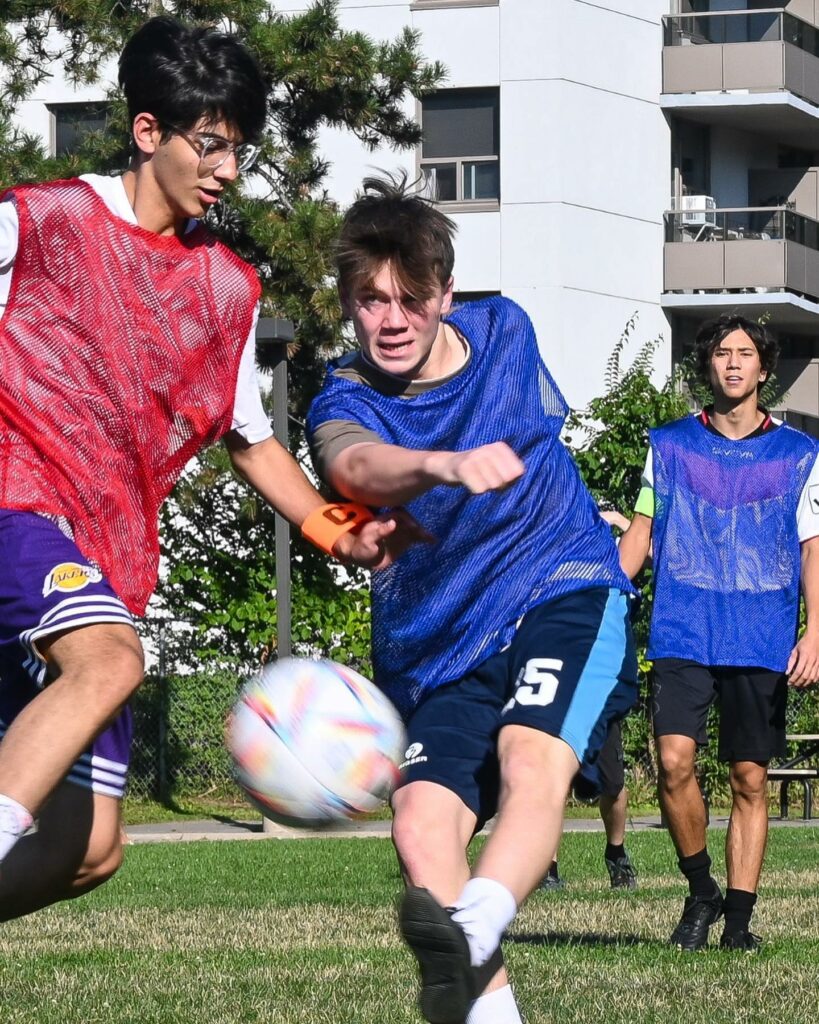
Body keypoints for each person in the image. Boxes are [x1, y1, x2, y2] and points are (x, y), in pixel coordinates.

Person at [0, 17, 419, 921]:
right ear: (148, 132)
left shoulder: (227, 289)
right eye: (211, 144)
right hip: (15, 506)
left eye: (241, 150)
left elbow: (253, 442)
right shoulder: (39, 221)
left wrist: (340, 528)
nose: (228, 169)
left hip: (105, 555)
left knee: (90, 847)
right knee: (110, 661)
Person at [307, 174, 639, 1024]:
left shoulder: (506, 333)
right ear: (348, 301)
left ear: (446, 295)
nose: (389, 319)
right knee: (419, 830)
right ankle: (492, 1006)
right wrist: (441, 465)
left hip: (557, 586)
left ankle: (477, 919)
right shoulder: (340, 402)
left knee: (532, 762)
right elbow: (351, 471)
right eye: (369, 299)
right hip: (436, 645)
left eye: (410, 299)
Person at [616, 313, 819, 952]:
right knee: (674, 764)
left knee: (749, 778)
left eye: (746, 353)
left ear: (765, 368)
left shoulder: (799, 455)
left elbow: (813, 548)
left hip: (762, 632)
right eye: (722, 353)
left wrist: (815, 633)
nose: (733, 363)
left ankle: (736, 922)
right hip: (684, 625)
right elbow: (641, 534)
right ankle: (700, 888)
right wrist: (599, 597)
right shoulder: (669, 445)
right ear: (707, 366)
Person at [540, 720, 638, 891]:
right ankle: (548, 870)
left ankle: (617, 856)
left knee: (613, 785)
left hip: (600, 706)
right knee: (554, 782)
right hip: (561, 703)